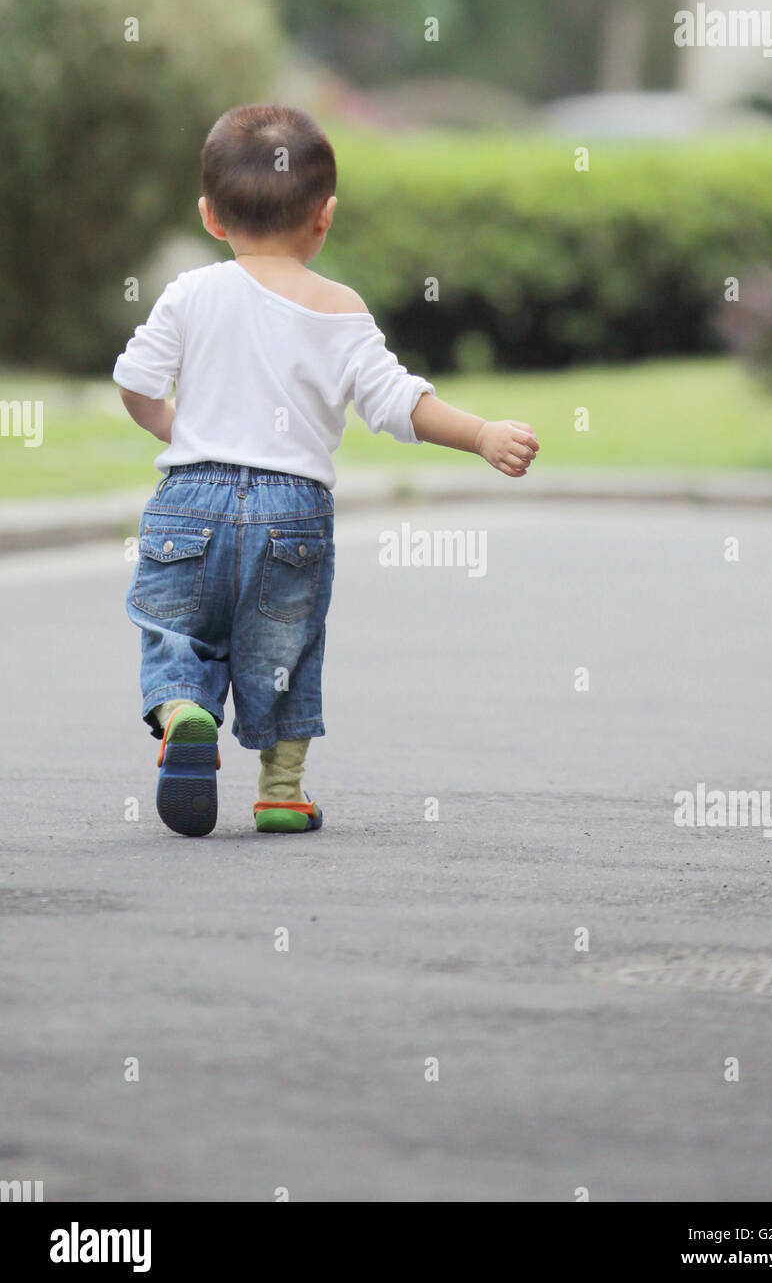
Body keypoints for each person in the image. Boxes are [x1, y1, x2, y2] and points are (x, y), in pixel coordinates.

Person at [114, 104, 538, 837]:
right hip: (292, 513)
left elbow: (135, 379)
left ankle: (185, 708)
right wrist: (481, 435)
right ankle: (281, 791)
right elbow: (399, 403)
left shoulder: (191, 293)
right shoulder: (339, 309)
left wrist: (174, 427)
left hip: (190, 498)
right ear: (325, 217)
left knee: (176, 629)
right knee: (285, 648)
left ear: (211, 217)